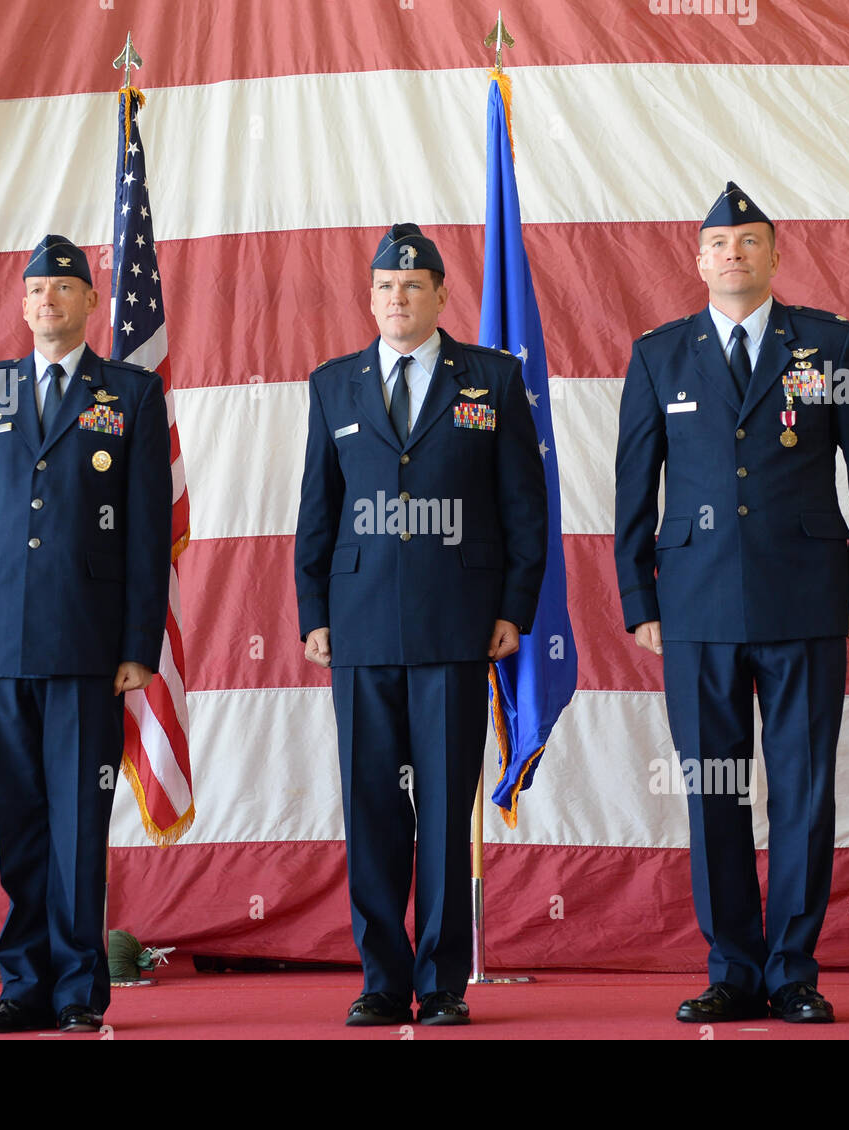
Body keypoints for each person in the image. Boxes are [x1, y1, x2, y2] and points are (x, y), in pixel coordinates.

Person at [614, 184, 849, 1023]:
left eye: (749, 241)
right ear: (697, 261)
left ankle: (793, 972)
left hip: (807, 599)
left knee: (804, 790)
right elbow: (634, 487)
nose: (733, 253)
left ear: (775, 254)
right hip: (695, 605)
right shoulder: (661, 355)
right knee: (716, 790)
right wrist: (639, 597)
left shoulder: (828, 345)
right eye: (718, 244)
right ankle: (733, 967)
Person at [295, 223, 547, 1026]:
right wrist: (313, 612)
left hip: (456, 622)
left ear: (442, 294)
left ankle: (440, 983)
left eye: (413, 286)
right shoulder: (334, 384)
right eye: (384, 287)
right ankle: (380, 978)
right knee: (371, 806)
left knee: (443, 806)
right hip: (360, 622)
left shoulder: (493, 380)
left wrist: (514, 608)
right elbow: (317, 511)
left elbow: (524, 507)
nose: (398, 298)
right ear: (369, 297)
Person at [0, 235, 171, 1034]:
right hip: (0, 640)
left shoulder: (130, 394)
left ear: (88, 304)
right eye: (36, 292)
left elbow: (147, 533)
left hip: (89, 643)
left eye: (64, 291)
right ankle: (22, 985)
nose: (49, 304)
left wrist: (140, 644)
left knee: (77, 825)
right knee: (21, 823)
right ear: (22, 304)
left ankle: (78, 992)